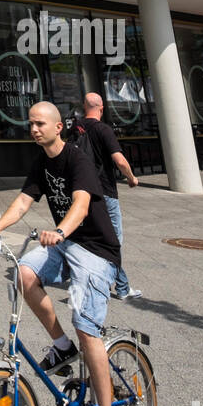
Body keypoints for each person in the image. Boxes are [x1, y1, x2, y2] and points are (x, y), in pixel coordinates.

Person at [0, 101, 123, 406]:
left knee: (86, 328)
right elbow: (22, 201)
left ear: (58, 127)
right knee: (24, 272)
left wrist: (59, 230)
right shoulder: (40, 163)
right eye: (30, 124)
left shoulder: (77, 158)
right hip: (65, 244)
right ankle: (61, 346)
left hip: (97, 250)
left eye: (40, 124)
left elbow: (82, 203)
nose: (33, 129)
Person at [77, 92, 142, 301]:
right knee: (113, 241)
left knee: (94, 239)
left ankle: (119, 286)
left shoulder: (75, 129)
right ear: (102, 108)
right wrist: (132, 178)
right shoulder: (103, 129)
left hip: (83, 193)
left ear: (83, 106)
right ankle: (114, 287)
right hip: (105, 192)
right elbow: (120, 160)